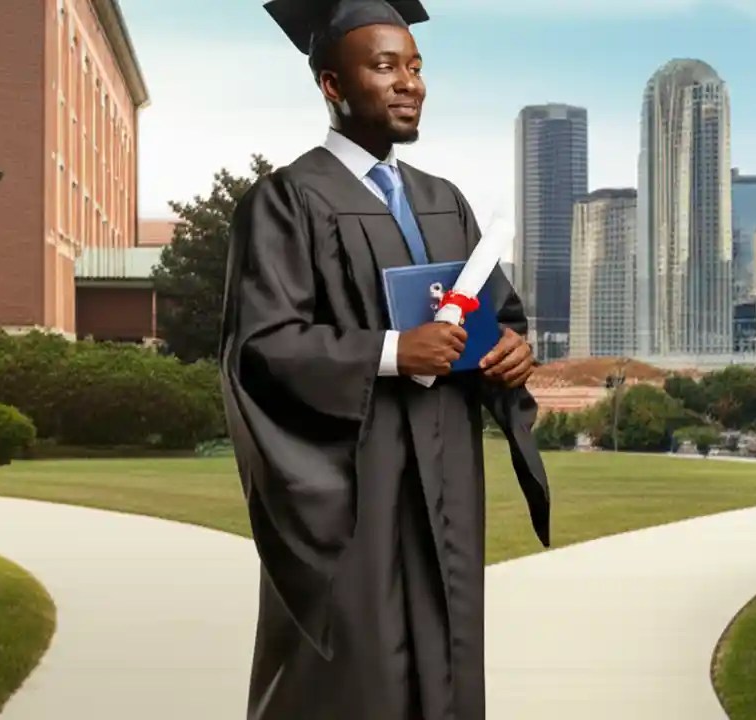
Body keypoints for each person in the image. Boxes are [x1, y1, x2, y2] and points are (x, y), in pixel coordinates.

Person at [218, 0, 551, 717]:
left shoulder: (444, 202)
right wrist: (395, 351)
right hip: (355, 490)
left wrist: (514, 354)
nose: (410, 82)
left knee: (450, 656)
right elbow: (261, 347)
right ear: (332, 85)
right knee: (352, 673)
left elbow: (502, 318)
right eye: (385, 65)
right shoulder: (286, 203)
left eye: (416, 66)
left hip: (448, 480)